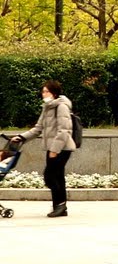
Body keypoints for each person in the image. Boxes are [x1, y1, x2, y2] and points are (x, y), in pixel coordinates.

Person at [10, 80, 77, 218]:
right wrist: (22, 137)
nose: (43, 93)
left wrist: (55, 150)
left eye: (46, 91)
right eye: (43, 91)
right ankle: (60, 207)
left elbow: (64, 130)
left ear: (54, 93)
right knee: (57, 176)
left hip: (62, 148)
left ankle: (60, 205)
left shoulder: (61, 107)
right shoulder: (47, 107)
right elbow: (38, 128)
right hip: (53, 147)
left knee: (50, 176)